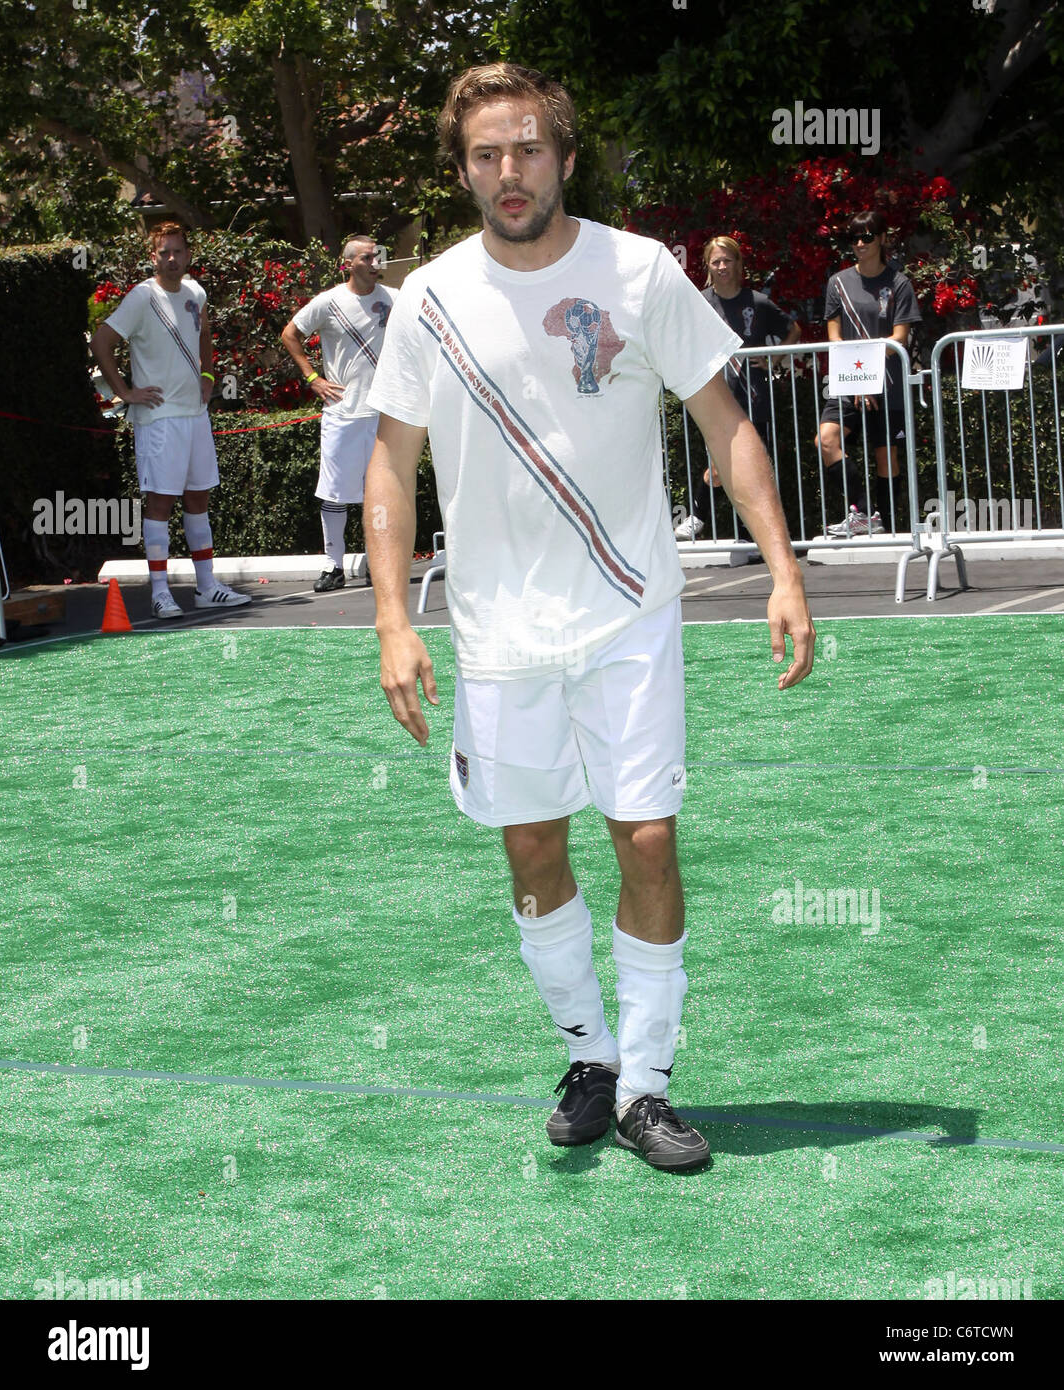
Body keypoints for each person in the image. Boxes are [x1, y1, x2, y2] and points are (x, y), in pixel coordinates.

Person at [363, 63, 815, 1173]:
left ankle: (650, 1084)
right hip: (497, 631)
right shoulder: (428, 297)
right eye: (484, 155)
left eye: (525, 149)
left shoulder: (640, 270)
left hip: (628, 612)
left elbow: (726, 422)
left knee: (647, 835)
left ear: (563, 157)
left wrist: (782, 567)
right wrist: (389, 619)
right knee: (532, 850)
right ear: (463, 169)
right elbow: (391, 462)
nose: (506, 172)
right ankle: (589, 1056)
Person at [90, 222, 251, 617]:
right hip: (159, 419)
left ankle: (206, 586)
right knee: (161, 503)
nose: (172, 259)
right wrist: (124, 393)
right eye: (164, 252)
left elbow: (205, 335)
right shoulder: (142, 297)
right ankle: (160, 593)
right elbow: (101, 342)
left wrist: (209, 376)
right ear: (153, 257)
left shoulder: (196, 292)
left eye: (178, 251)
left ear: (188, 255)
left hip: (195, 417)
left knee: (199, 498)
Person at [280, 236, 392, 591]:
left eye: (377, 256)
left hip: (382, 413)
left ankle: (378, 563)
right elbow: (290, 334)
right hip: (342, 412)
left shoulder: (395, 299)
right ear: (348, 264)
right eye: (367, 257)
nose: (375, 261)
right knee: (334, 492)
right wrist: (313, 378)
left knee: (380, 491)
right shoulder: (329, 302)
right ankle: (333, 566)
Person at [675, 236, 800, 542]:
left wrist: (775, 359)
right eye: (715, 261)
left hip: (754, 398)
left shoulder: (756, 302)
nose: (721, 267)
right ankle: (698, 516)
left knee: (754, 469)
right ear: (707, 265)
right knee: (720, 464)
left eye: (727, 260)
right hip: (715, 398)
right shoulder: (700, 303)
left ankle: (752, 536)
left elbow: (793, 330)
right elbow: (681, 339)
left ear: (738, 264)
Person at [816, 210, 922, 536]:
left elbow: (899, 338)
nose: (860, 244)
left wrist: (869, 374)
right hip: (848, 381)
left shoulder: (899, 283)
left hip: (887, 382)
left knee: (886, 455)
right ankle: (863, 512)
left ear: (881, 239)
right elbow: (834, 337)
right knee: (826, 440)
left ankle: (887, 529)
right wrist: (858, 378)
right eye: (854, 238)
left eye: (867, 237)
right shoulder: (838, 282)